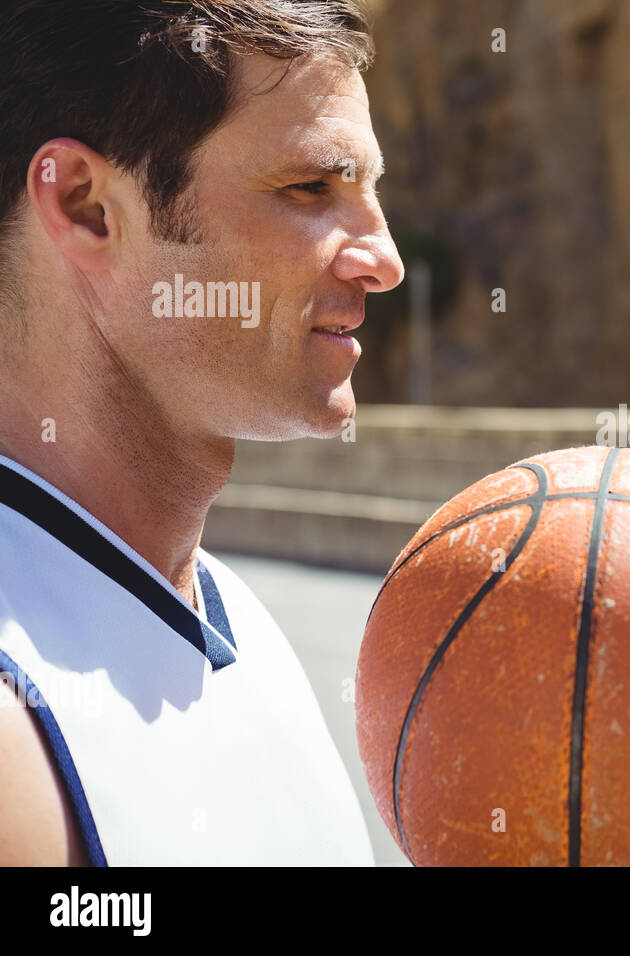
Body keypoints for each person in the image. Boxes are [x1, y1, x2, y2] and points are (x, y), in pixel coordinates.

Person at [0, 1, 404, 864]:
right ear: (87, 207)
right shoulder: (16, 726)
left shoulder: (235, 621)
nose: (383, 256)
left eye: (372, 191)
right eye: (310, 188)